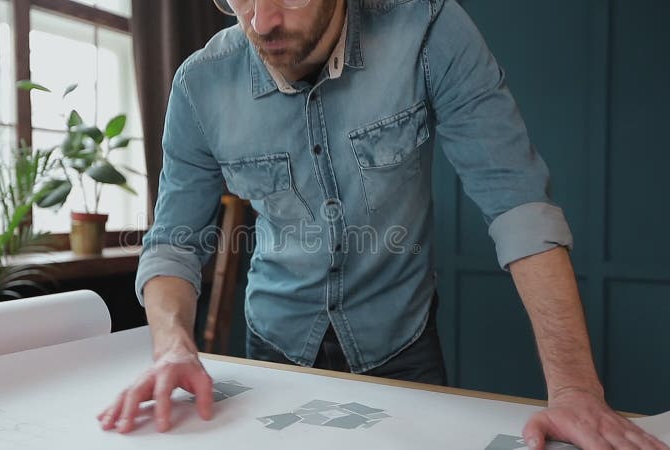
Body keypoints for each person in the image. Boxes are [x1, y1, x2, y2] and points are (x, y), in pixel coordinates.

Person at [97, 0, 669, 448]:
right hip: (274, 346)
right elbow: (174, 241)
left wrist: (573, 389)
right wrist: (172, 347)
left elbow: (518, 207)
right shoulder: (200, 87)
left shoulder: (431, 32)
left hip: (402, 342)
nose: (261, 20)